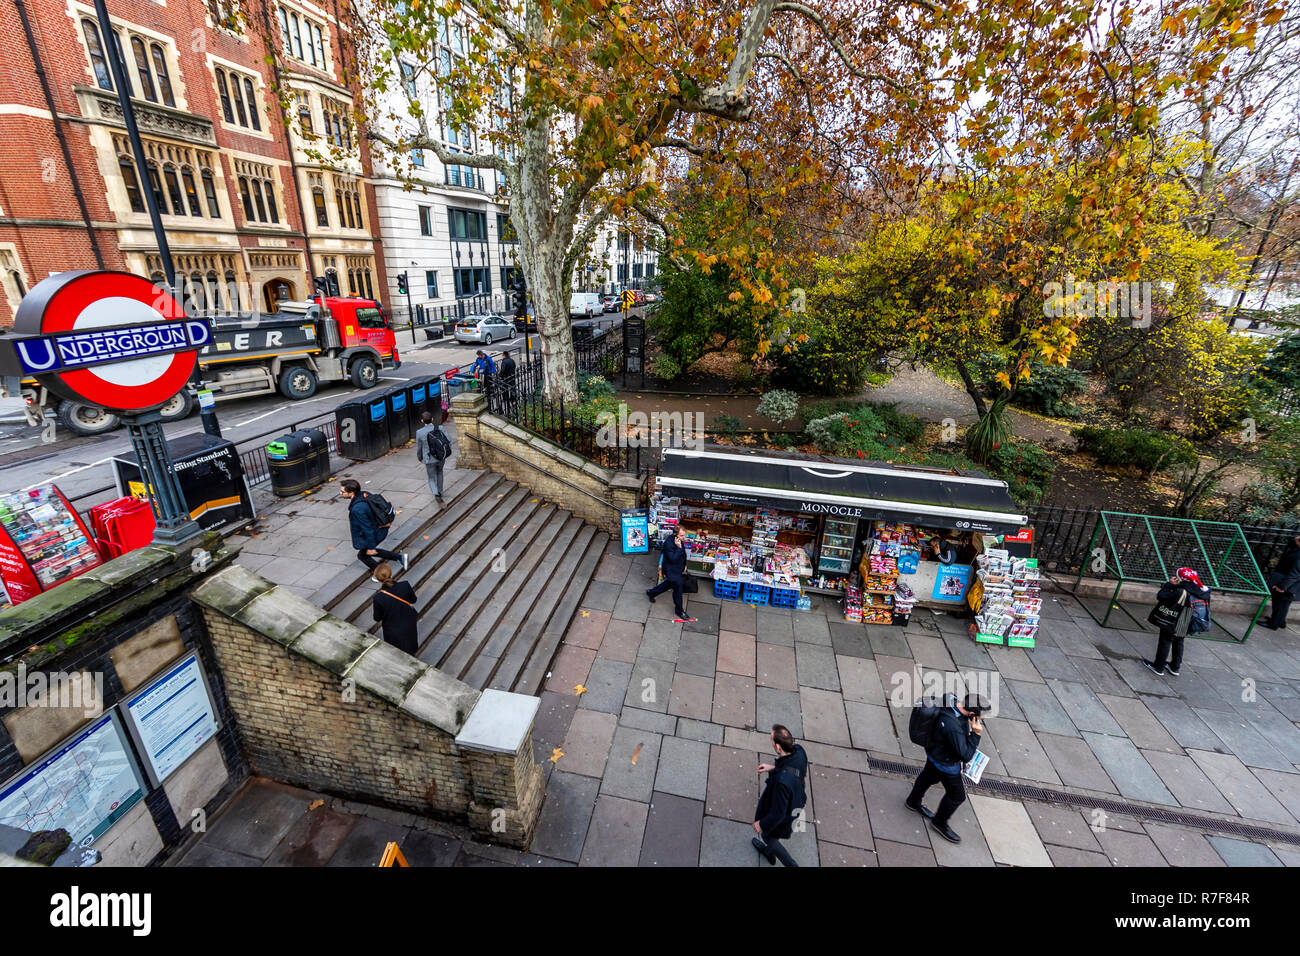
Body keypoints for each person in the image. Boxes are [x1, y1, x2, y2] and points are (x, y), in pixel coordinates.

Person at [905, 692, 988, 844]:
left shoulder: (950, 700)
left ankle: (912, 801)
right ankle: (939, 822)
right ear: (971, 713)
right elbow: (965, 755)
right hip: (946, 764)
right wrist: (976, 734)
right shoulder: (953, 727)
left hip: (934, 752)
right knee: (957, 796)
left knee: (928, 777)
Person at [752, 725, 808, 867]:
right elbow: (794, 770)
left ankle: (791, 865)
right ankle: (770, 854)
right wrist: (773, 768)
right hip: (797, 796)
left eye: (771, 739)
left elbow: (778, 814)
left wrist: (761, 824)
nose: (770, 741)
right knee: (773, 833)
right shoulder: (799, 751)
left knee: (767, 835)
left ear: (778, 747)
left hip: (788, 807)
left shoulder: (781, 783)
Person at [1143, 567, 1210, 677]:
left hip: (1175, 617)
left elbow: (1161, 596)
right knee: (1179, 641)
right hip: (1188, 617)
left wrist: (1169, 585)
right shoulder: (1202, 590)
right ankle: (1175, 667)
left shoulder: (1181, 591)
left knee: (1165, 641)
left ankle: (1158, 667)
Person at [340, 478, 407, 579]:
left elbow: (367, 529)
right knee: (366, 552)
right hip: (379, 528)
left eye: (343, 491)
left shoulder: (357, 509)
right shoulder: (363, 494)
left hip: (376, 532)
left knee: (363, 555)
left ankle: (382, 576)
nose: (341, 493)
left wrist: (371, 547)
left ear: (351, 492)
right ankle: (400, 558)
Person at [645, 525, 695, 622]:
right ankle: (679, 611)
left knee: (668, 585)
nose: (684, 538)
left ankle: (651, 592)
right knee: (678, 590)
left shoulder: (679, 540)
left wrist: (685, 564)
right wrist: (679, 547)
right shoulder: (668, 544)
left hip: (678, 569)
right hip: (671, 571)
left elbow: (683, 554)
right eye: (682, 536)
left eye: (684, 535)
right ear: (675, 534)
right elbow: (672, 559)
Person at [372, 563, 419, 654]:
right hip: (409, 624)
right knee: (411, 650)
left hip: (392, 630)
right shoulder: (405, 585)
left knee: (396, 653)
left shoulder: (378, 598)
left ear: (378, 580)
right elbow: (414, 600)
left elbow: (377, 618)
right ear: (391, 574)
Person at [1261, 534, 1300, 631]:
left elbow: (1295, 573)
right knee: (1283, 603)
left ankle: (1273, 624)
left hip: (1287, 583)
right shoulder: (1297, 550)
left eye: (1298, 539)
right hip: (1287, 583)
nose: (1295, 540)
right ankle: (1280, 622)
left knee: (1281, 603)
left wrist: (1283, 586)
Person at [414, 410, 452, 501]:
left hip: (429, 459)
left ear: (422, 421)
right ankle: (440, 491)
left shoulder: (419, 432)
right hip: (441, 457)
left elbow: (419, 448)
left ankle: (436, 493)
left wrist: (420, 458)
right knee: (440, 472)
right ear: (432, 419)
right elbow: (448, 440)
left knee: (431, 477)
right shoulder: (440, 428)